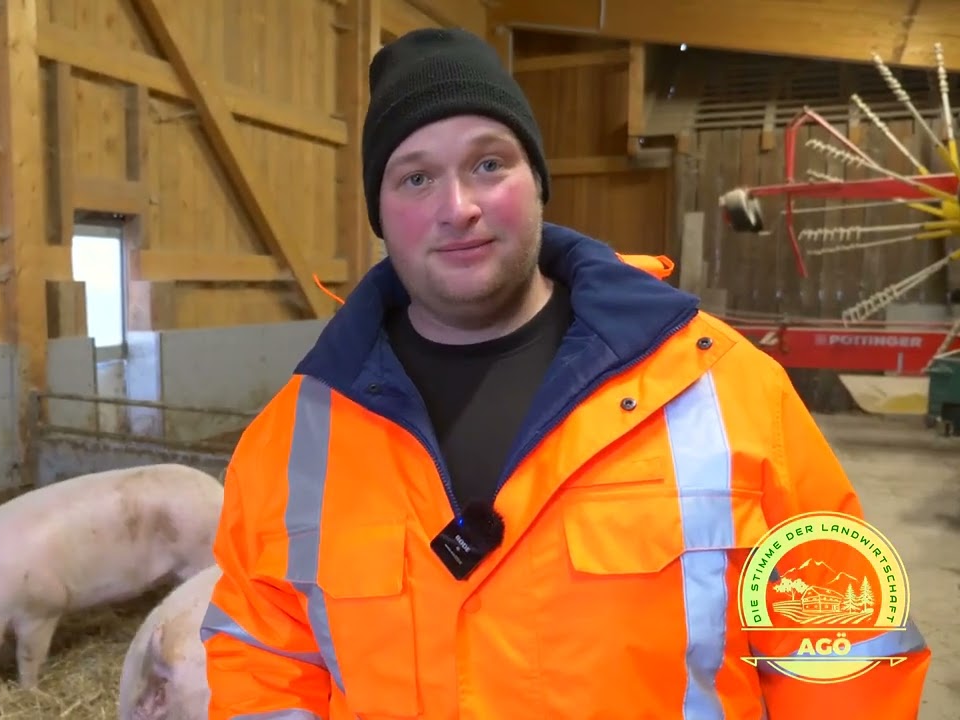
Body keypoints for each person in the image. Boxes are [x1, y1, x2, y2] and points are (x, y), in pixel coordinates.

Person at [198, 26, 932, 720]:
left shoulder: (726, 390)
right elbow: (265, 662)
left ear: (538, 181)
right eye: (416, 178)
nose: (458, 207)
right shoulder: (294, 441)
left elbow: (845, 648)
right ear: (379, 215)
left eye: (489, 163)